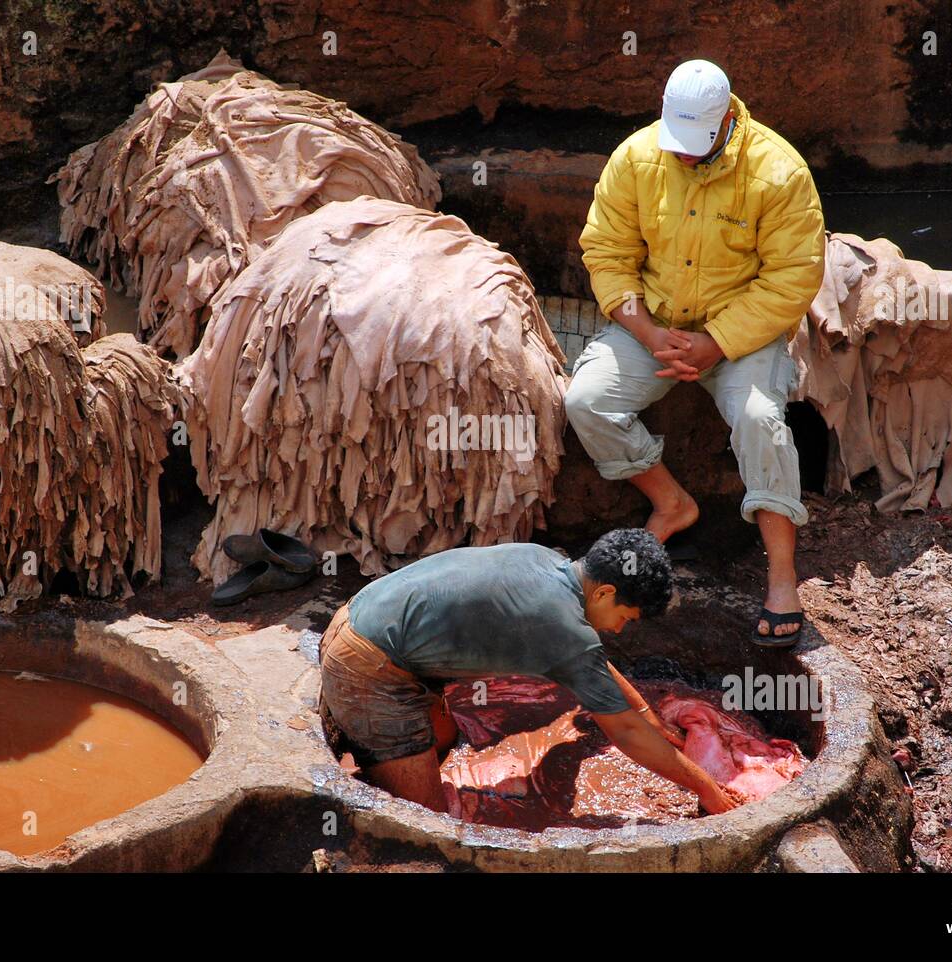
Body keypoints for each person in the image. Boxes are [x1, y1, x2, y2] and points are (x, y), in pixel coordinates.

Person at [567, 59, 825, 647]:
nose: (682, 156)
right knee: (586, 399)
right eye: (675, 144)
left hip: (740, 337)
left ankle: (782, 577)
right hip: (655, 325)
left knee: (761, 419)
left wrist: (718, 343)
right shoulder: (636, 158)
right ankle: (672, 503)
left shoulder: (780, 173)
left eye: (695, 146)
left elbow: (792, 279)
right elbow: (606, 253)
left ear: (727, 121)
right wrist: (647, 331)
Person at [317, 528, 737, 815]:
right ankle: (360, 776)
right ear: (606, 592)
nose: (619, 628)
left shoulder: (547, 562)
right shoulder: (563, 629)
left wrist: (645, 713)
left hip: (360, 617)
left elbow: (592, 661)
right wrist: (706, 788)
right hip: (369, 667)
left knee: (445, 739)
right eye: (625, 616)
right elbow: (623, 734)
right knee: (426, 823)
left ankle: (377, 755)